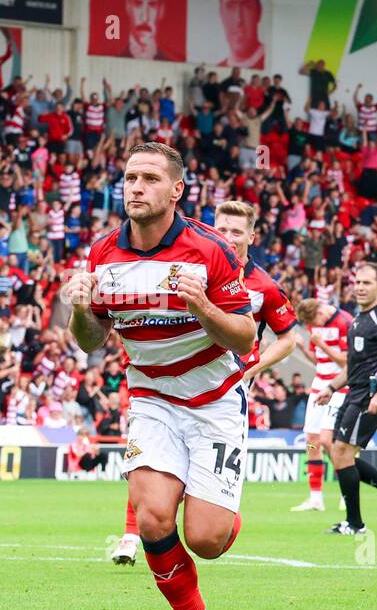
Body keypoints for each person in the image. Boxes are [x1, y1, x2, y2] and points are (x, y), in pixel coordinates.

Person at [65, 142, 255, 610]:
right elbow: (90, 339)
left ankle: (220, 507)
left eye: (149, 178)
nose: (136, 188)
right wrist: (81, 310)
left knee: (208, 539)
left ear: (176, 190)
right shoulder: (103, 253)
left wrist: (203, 306)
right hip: (151, 397)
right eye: (130, 178)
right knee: (150, 519)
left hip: (215, 400)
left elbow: (244, 337)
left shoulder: (210, 248)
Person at [111, 198, 296, 563]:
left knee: (206, 535)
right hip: (162, 384)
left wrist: (254, 367)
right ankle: (131, 535)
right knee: (148, 465)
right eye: (222, 228)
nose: (226, 236)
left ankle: (217, 516)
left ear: (251, 236)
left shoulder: (264, 286)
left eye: (236, 232)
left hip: (224, 389)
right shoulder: (195, 261)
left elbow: (289, 337)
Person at [317, 262, 377, 535]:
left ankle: (355, 523)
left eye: (367, 283)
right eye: (357, 282)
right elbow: (352, 366)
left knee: (341, 452)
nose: (359, 287)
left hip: (371, 395)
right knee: (338, 452)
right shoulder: (357, 321)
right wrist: (331, 387)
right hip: (354, 392)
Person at [290, 297, 353, 513]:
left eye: (315, 320)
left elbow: (346, 362)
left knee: (327, 442)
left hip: (340, 387)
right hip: (318, 386)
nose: (314, 326)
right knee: (312, 442)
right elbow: (318, 359)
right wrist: (302, 346)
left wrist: (322, 344)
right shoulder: (312, 322)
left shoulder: (344, 322)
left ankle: (347, 492)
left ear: (319, 310)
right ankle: (316, 497)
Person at [216, 0, 265, 69]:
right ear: (221, 14)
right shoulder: (217, 69)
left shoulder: (272, 61)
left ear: (259, 11)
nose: (239, 19)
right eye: (230, 6)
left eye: (246, 6)